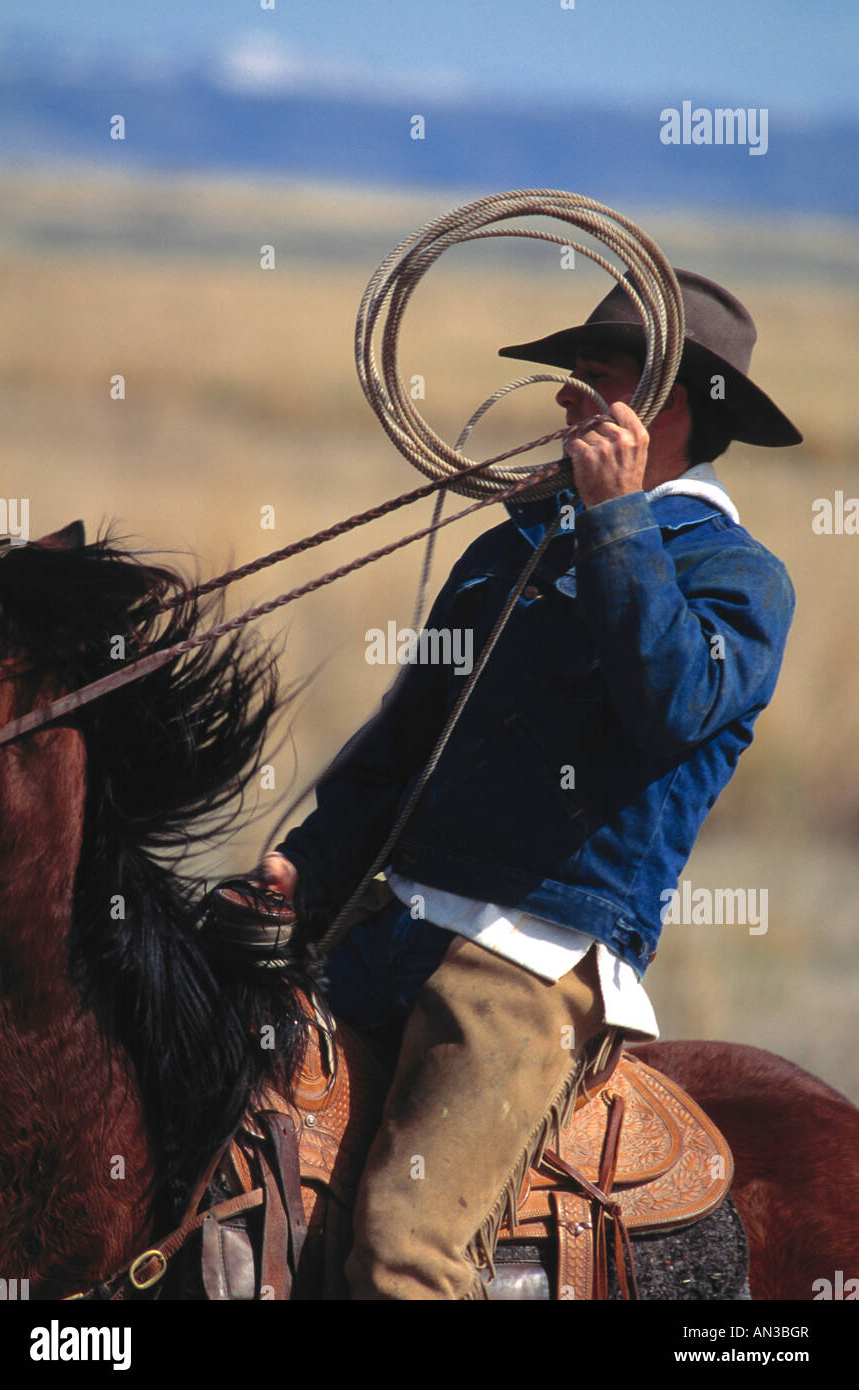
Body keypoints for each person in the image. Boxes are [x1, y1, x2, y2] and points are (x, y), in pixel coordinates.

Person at [218, 269, 801, 1299]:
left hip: (530, 958)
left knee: (406, 1251)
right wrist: (303, 863)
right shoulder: (510, 547)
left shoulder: (737, 574)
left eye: (597, 379)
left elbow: (664, 705)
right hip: (388, 922)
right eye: (571, 379)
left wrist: (617, 519)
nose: (570, 399)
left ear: (668, 407)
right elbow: (404, 743)